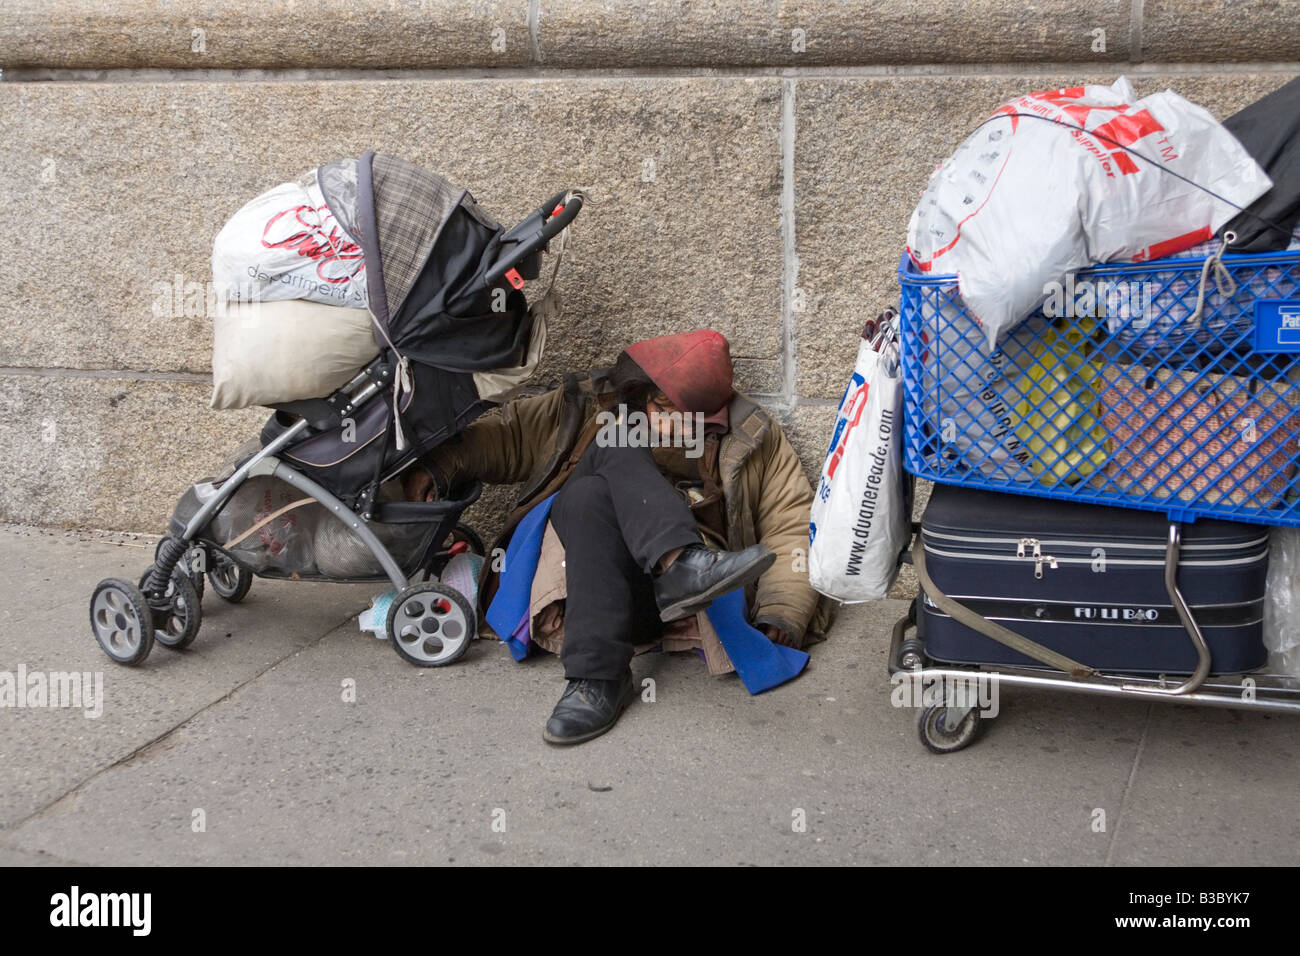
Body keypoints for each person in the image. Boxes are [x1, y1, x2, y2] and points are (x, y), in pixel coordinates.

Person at [405, 330, 831, 744]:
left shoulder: (751, 434)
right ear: (641, 394)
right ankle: (624, 642)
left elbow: (789, 522)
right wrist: (440, 467)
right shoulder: (591, 406)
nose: (673, 423)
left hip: (671, 606)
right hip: (578, 583)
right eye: (662, 407)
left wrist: (782, 610)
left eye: (689, 417)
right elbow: (508, 436)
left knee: (602, 473)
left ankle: (615, 655)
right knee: (604, 462)